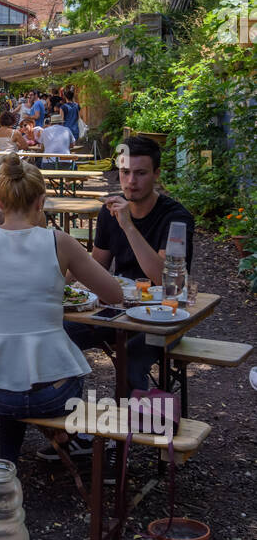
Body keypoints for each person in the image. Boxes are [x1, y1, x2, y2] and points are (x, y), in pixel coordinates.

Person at [0, 156, 123, 463]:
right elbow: (114, 293)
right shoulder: (60, 242)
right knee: (38, 377)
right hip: (52, 395)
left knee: (10, 382)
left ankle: (7, 464)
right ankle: (64, 442)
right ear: (41, 201)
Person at [65, 134, 195, 405]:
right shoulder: (109, 212)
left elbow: (165, 280)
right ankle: (69, 430)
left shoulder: (176, 218)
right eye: (125, 172)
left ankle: (127, 437)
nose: (131, 182)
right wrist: (59, 282)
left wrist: (128, 225)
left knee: (130, 356)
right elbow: (95, 266)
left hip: (163, 317)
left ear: (156, 174)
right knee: (57, 334)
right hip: (119, 312)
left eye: (140, 173)